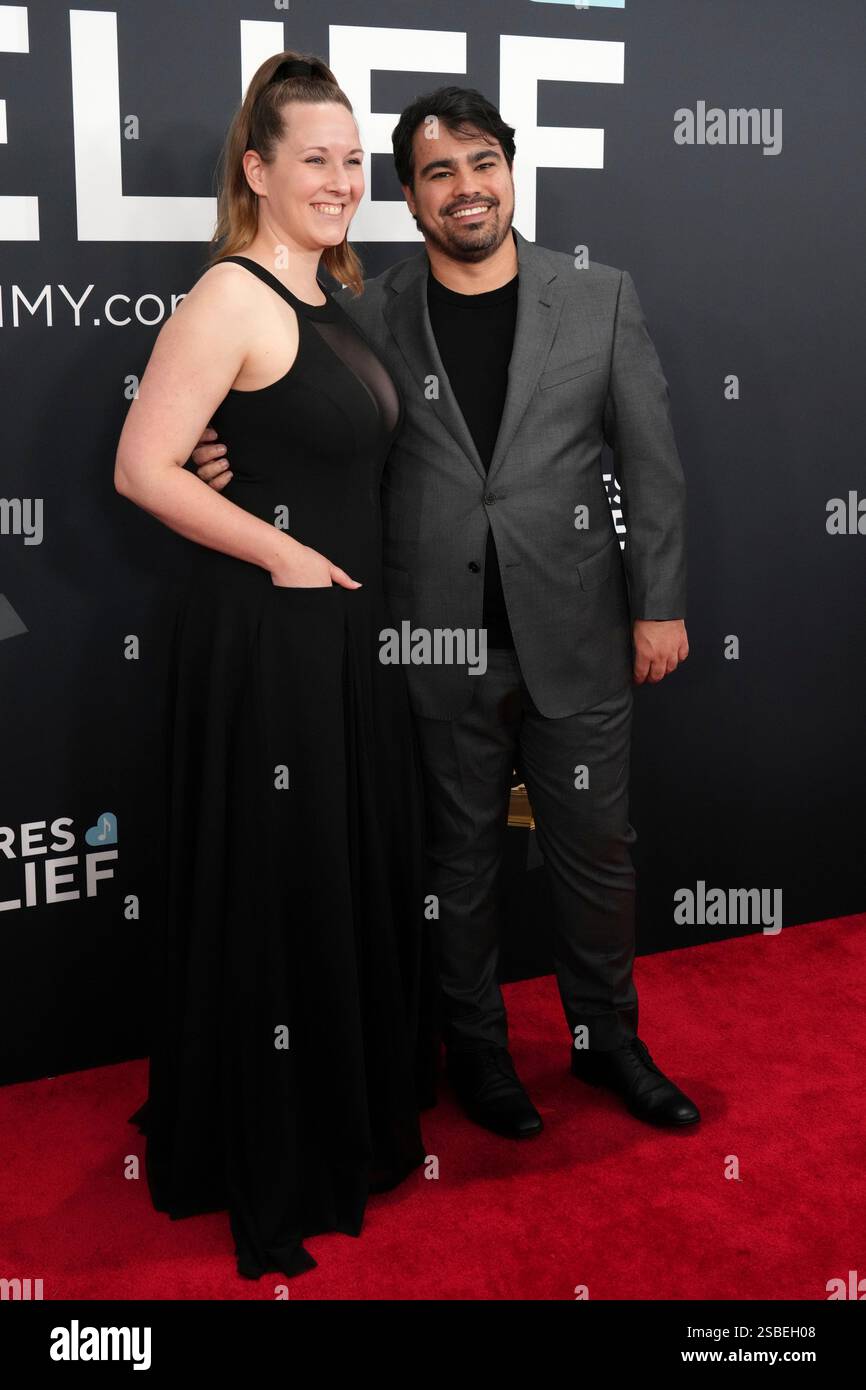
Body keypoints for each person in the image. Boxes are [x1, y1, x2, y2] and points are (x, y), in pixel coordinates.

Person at [195, 84, 700, 1141]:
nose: (463, 189)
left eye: (479, 164)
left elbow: (650, 468)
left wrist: (657, 606)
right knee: (453, 864)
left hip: (578, 633)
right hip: (427, 639)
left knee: (596, 853)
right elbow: (309, 422)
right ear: (409, 197)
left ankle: (606, 1040)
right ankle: (473, 1053)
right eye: (435, 173)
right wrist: (224, 456)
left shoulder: (597, 296)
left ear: (509, 171)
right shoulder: (368, 310)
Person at [115, 52, 435, 1281]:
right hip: (270, 641)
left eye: (354, 161)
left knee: (329, 875)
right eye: (316, 158)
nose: (342, 181)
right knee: (279, 879)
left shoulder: (321, 294)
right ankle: (275, 1145)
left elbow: (263, 441)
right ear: (255, 168)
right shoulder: (230, 296)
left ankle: (336, 1115)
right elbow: (143, 467)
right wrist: (282, 558)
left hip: (336, 642)